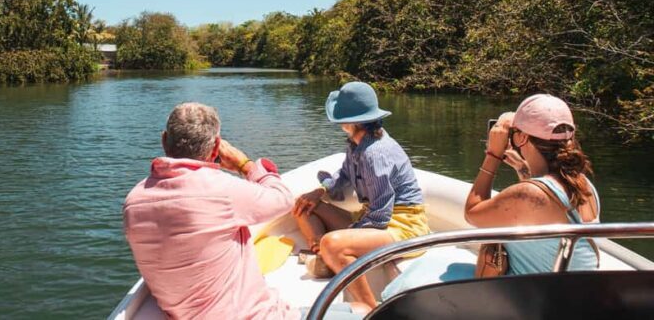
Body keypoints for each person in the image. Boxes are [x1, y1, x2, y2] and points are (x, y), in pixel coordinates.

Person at [124, 102, 364, 320]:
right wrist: (245, 165)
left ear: (164, 140)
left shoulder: (134, 201)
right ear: (217, 147)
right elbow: (282, 199)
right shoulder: (222, 190)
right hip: (254, 316)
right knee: (363, 311)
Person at [381, 93, 600, 300]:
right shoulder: (583, 184)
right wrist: (523, 170)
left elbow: (472, 214)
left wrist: (493, 155)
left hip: (528, 300)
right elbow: (544, 208)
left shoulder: (529, 194)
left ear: (521, 137)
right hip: (569, 297)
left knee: (420, 273)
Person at [292, 82, 430, 310]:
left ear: (350, 123)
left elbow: (380, 215)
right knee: (304, 206)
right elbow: (345, 174)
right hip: (371, 218)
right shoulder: (356, 145)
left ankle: (367, 305)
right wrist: (320, 191)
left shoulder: (374, 153)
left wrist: (344, 236)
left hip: (403, 226)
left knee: (332, 244)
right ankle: (324, 254)